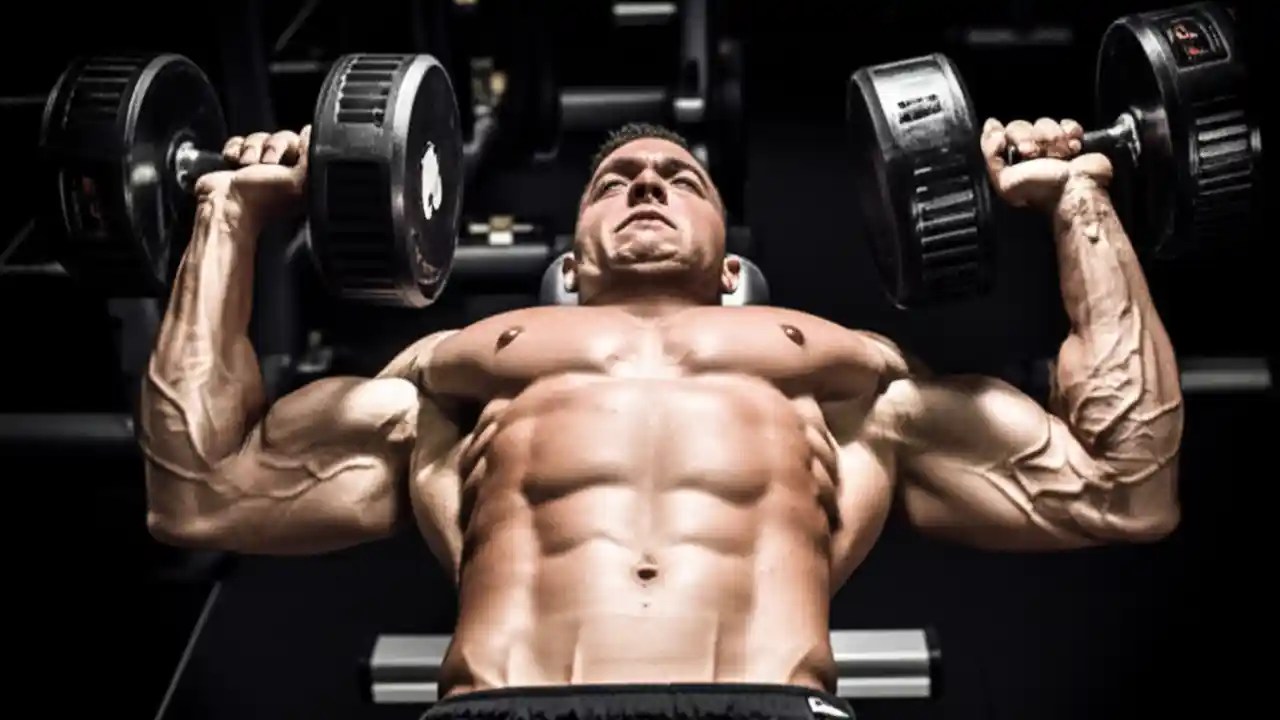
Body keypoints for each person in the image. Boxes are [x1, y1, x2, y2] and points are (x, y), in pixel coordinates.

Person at [139, 118, 1183, 720]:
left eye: (680, 179)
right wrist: (227, 213)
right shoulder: (451, 379)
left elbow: (1120, 487)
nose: (645, 184)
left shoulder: (850, 380)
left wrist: (1076, 198)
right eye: (612, 182)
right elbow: (200, 494)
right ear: (568, 261)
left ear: (731, 268)